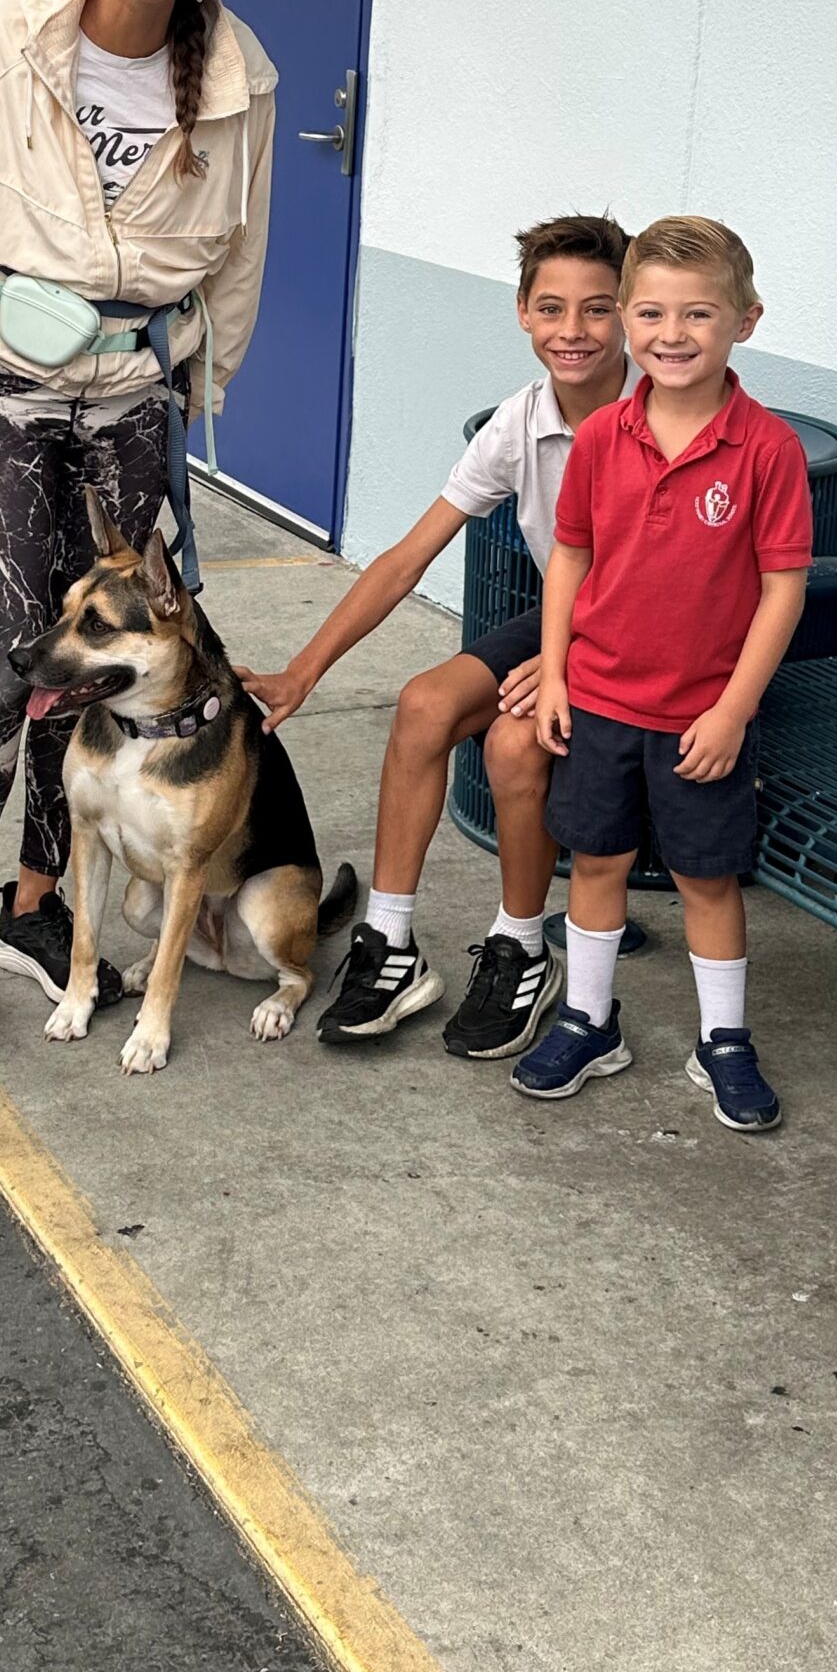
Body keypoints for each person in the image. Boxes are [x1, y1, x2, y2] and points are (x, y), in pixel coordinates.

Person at [0, 0, 277, 1069]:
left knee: (99, 665)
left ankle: (44, 901)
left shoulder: (239, 77)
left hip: (130, 388)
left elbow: (242, 251)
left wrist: (199, 388)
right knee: (12, 659)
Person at [240, 214, 634, 1055]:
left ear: (631, 314)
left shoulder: (657, 418)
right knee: (423, 705)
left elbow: (669, 585)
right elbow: (405, 559)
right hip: (571, 620)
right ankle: (390, 945)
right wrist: (304, 669)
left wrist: (564, 659)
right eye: (553, 308)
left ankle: (523, 951)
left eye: (598, 310)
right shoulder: (520, 423)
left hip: (646, 634)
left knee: (514, 746)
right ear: (523, 312)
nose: (574, 331)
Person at [515, 216, 811, 1132]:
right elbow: (568, 559)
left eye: (698, 314)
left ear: (745, 322)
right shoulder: (603, 437)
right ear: (629, 321)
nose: (670, 335)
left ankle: (723, 1040)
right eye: (650, 313)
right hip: (600, 700)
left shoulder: (767, 450)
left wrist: (733, 711)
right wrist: (556, 675)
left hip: (701, 718)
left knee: (705, 879)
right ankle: (587, 1019)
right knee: (595, 862)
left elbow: (783, 590)